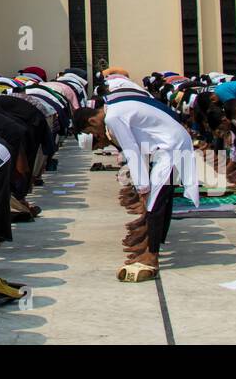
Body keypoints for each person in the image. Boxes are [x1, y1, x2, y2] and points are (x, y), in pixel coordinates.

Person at [75, 79, 198, 282]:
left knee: (155, 205)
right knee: (161, 202)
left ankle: (152, 257)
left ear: (92, 122)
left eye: (91, 132)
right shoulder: (114, 110)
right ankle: (151, 249)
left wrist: (142, 187)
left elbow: (132, 152)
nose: (96, 135)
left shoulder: (113, 117)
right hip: (168, 146)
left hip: (171, 147)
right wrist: (142, 186)